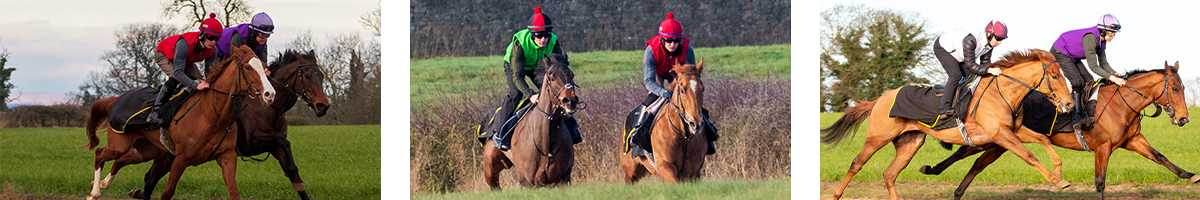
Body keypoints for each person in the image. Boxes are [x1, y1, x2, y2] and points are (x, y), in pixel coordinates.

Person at [488, 7, 581, 150]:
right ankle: (501, 133)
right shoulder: (520, 43)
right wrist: (530, 95)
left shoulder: (553, 42)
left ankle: (571, 127)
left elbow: (558, 70)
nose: (543, 40)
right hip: (515, 67)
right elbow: (518, 76)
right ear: (532, 34)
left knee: (552, 93)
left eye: (546, 36)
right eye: (539, 36)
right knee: (516, 94)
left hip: (538, 66)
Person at [632, 13, 719, 155]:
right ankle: (637, 132)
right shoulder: (651, 51)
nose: (673, 44)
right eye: (668, 41)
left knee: (694, 102)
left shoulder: (688, 50)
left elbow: (690, 77)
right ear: (662, 40)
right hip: (658, 76)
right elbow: (649, 81)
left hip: (679, 77)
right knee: (650, 102)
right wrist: (663, 92)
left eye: (676, 40)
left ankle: (709, 134)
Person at [147, 13, 222, 154]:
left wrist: (204, 83)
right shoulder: (184, 44)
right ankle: (155, 112)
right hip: (164, 54)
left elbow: (209, 75)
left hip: (187, 59)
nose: (213, 42)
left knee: (200, 81)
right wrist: (195, 85)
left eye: (217, 38)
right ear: (202, 35)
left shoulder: (213, 50)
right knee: (176, 78)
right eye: (211, 37)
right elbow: (179, 73)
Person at [1052, 14, 1124, 131]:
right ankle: (1075, 116)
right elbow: (1094, 66)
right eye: (1111, 33)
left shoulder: (1102, 42)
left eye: (1114, 33)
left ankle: (1084, 111)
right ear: (1103, 31)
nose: (1113, 36)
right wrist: (1113, 79)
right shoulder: (1090, 38)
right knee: (1077, 82)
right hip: (1060, 51)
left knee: (1089, 80)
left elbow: (1103, 64)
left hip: (1072, 56)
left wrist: (1114, 73)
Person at [933, 20, 1007, 119]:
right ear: (990, 34)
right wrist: (990, 70)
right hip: (943, 47)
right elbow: (971, 65)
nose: (1000, 42)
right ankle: (944, 108)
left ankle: (964, 105)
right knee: (955, 75)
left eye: (1002, 39)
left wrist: (992, 71)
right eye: (998, 38)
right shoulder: (971, 40)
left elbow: (985, 64)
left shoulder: (990, 45)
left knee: (974, 76)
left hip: (959, 53)